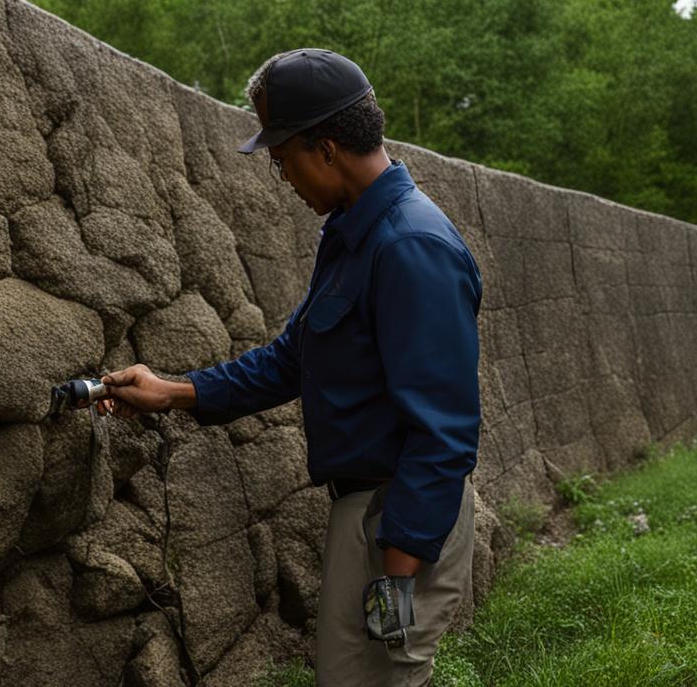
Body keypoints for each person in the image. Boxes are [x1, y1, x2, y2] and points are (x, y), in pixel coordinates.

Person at [90, 48, 482, 686]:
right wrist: (174, 392)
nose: (284, 180)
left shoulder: (411, 247)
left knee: (379, 680)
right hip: (374, 519)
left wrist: (395, 575)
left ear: (325, 148)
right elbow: (292, 359)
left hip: (401, 523)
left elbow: (444, 431)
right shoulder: (355, 232)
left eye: (283, 161)